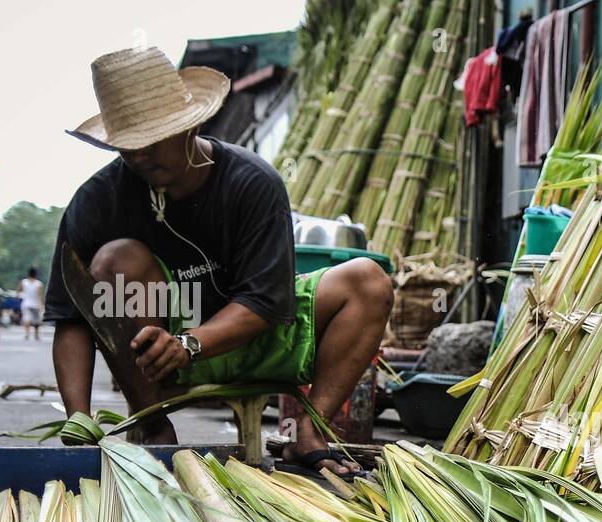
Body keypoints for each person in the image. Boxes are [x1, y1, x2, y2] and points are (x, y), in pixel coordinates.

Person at [45, 47, 392, 476]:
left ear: (190, 127)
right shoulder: (96, 201)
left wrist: (192, 343)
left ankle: (310, 430)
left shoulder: (252, 181)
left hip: (258, 334)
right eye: (127, 147)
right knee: (115, 261)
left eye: (152, 142)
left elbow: (266, 301)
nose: (140, 158)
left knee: (368, 281)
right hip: (161, 357)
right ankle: (154, 425)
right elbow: (72, 317)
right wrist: (78, 421)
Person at [16, 267, 44, 340]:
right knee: (36, 320)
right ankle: (36, 334)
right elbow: (39, 296)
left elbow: (18, 292)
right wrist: (40, 305)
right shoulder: (39, 284)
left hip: (26, 303)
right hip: (36, 304)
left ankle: (27, 333)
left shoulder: (24, 282)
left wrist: (20, 296)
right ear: (36, 274)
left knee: (26, 318)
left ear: (28, 274)